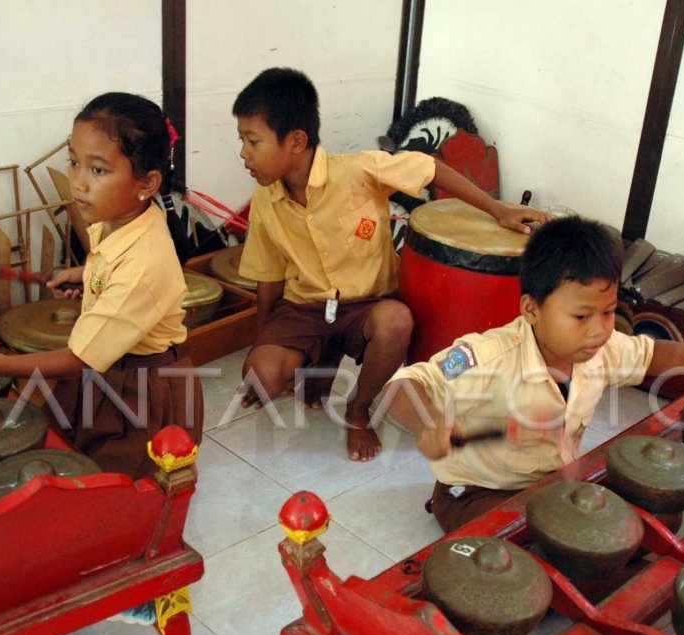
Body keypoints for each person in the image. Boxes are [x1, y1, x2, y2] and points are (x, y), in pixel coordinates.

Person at [382, 216, 684, 533]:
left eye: (608, 312)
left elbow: (653, 355)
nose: (599, 329)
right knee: (547, 553)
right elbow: (405, 385)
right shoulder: (486, 356)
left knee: (662, 514)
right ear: (531, 310)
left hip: (554, 482)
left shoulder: (602, 349)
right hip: (477, 494)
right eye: (581, 316)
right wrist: (429, 425)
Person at [232, 67, 549, 462]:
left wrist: (498, 210)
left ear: (296, 141)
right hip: (306, 307)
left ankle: (359, 409)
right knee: (262, 375)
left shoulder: (359, 170)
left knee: (397, 321)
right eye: (243, 141)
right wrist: (265, 343)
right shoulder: (266, 198)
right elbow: (268, 274)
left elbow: (431, 167)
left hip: (367, 306)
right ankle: (320, 364)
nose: (244, 154)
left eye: (253, 141)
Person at [0, 92, 202, 479]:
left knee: (114, 487)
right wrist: (86, 275)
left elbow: (76, 359)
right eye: (73, 162)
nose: (78, 183)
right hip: (112, 369)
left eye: (98, 170)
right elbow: (113, 269)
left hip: (146, 391)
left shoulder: (143, 264)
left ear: (147, 183)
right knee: (65, 446)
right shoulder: (120, 219)